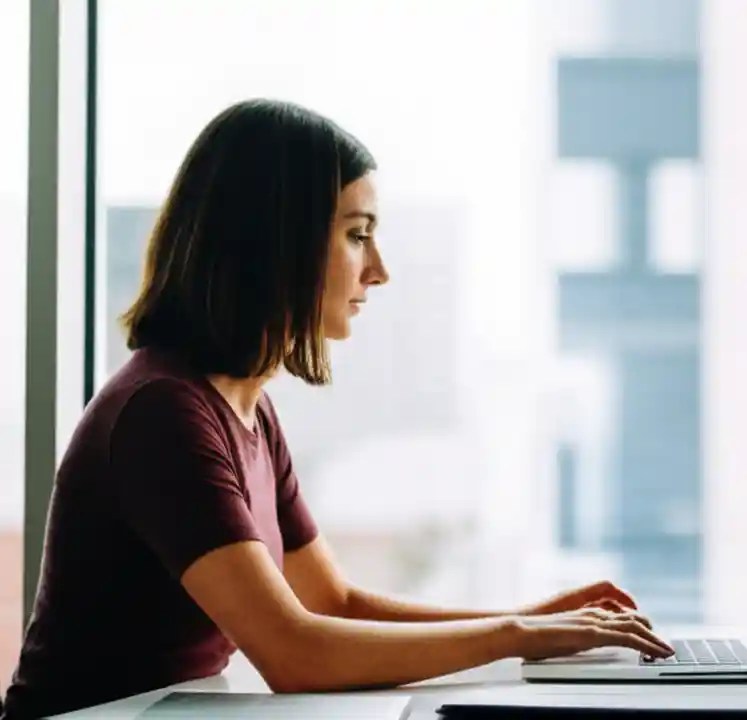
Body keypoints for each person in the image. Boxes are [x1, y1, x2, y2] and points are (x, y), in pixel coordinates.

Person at [1, 99, 673, 719]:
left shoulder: (245, 411)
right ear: (275, 242)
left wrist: (529, 621)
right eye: (358, 234)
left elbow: (330, 602)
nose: (378, 269)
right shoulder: (161, 413)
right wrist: (518, 634)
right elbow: (296, 654)